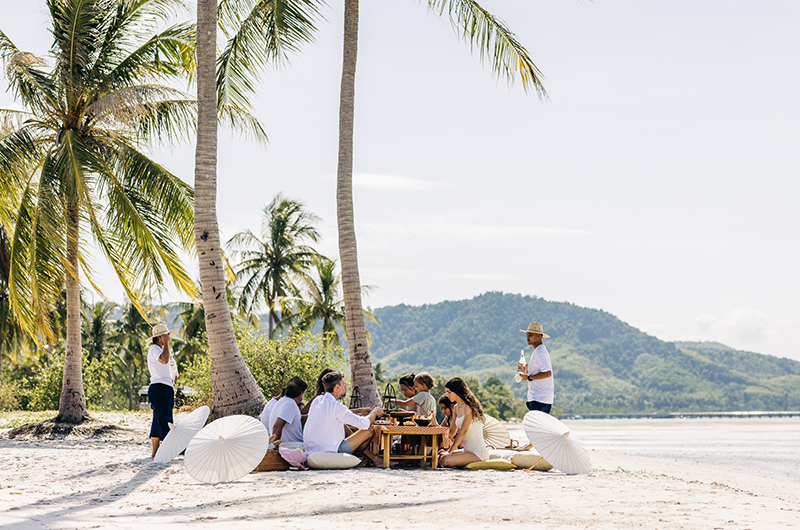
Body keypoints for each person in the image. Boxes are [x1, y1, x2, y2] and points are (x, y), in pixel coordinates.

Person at [303, 370, 383, 466]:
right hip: (332, 451)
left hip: (311, 450)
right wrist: (374, 412)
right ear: (337, 387)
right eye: (343, 384)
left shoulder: (317, 400)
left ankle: (362, 458)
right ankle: (360, 458)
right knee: (368, 431)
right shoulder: (336, 405)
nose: (345, 387)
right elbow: (364, 424)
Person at [439, 376, 488, 467]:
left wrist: (449, 452)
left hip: (478, 453)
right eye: (446, 392)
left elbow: (462, 432)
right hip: (467, 451)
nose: (447, 395)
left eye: (449, 392)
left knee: (445, 460)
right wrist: (435, 427)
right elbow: (451, 433)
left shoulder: (468, 407)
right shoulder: (456, 408)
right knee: (439, 458)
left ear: (457, 392)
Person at [146, 323, 178, 458]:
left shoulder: (158, 349)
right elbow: (164, 360)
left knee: (158, 420)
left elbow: (165, 365)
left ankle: (156, 452)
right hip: (160, 388)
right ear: (161, 336)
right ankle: (169, 448)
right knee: (166, 420)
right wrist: (166, 344)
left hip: (164, 387)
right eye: (167, 335)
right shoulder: (155, 349)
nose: (169, 338)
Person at [517, 322, 554, 414]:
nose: (527, 337)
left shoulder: (540, 352)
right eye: (527, 335)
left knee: (537, 428)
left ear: (538, 336)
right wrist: (526, 372)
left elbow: (548, 373)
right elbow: (541, 372)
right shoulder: (538, 350)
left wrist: (528, 377)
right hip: (539, 399)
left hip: (539, 399)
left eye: (530, 335)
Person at [269, 377, 307, 444]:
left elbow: (298, 420)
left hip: (288, 444)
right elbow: (277, 425)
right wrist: (274, 446)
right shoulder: (290, 404)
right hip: (291, 445)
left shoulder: (283, 401)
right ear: (301, 394)